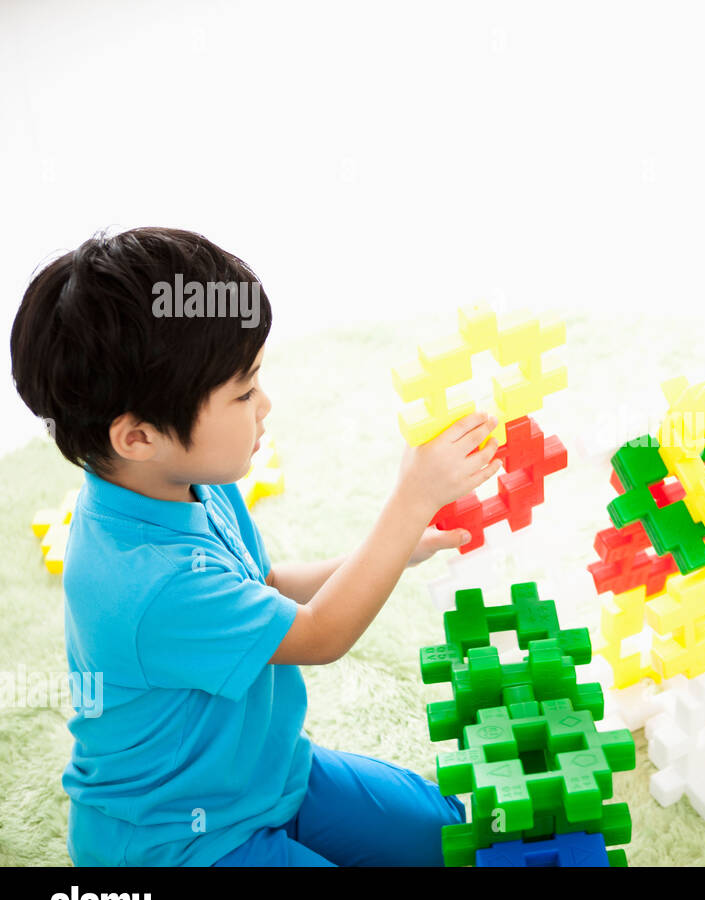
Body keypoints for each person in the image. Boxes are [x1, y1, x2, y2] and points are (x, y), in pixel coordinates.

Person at [9, 226, 501, 864]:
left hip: (268, 780)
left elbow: (264, 589)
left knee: (450, 834)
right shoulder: (151, 583)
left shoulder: (189, 483)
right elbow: (319, 636)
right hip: (180, 841)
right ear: (137, 437)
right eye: (243, 393)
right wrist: (407, 503)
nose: (265, 405)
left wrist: (401, 545)